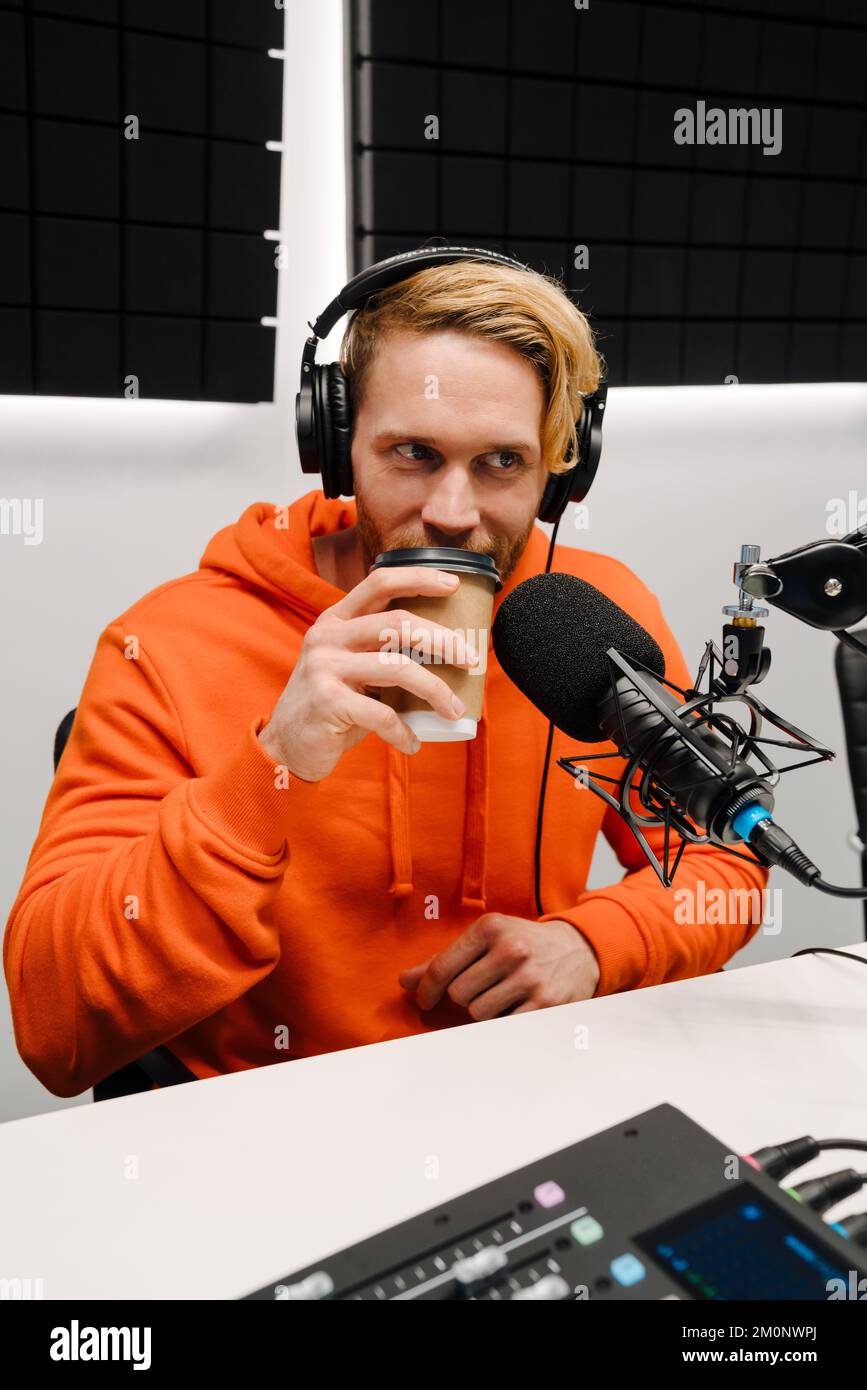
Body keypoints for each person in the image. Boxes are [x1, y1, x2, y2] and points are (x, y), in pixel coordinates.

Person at [4, 258, 768, 1097]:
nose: (452, 510)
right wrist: (272, 765)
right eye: (413, 452)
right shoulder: (166, 642)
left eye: (502, 462)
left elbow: (728, 863)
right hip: (266, 1123)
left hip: (524, 1091)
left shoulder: (588, 616)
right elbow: (54, 1022)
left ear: (561, 468)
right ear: (335, 443)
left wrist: (597, 943)